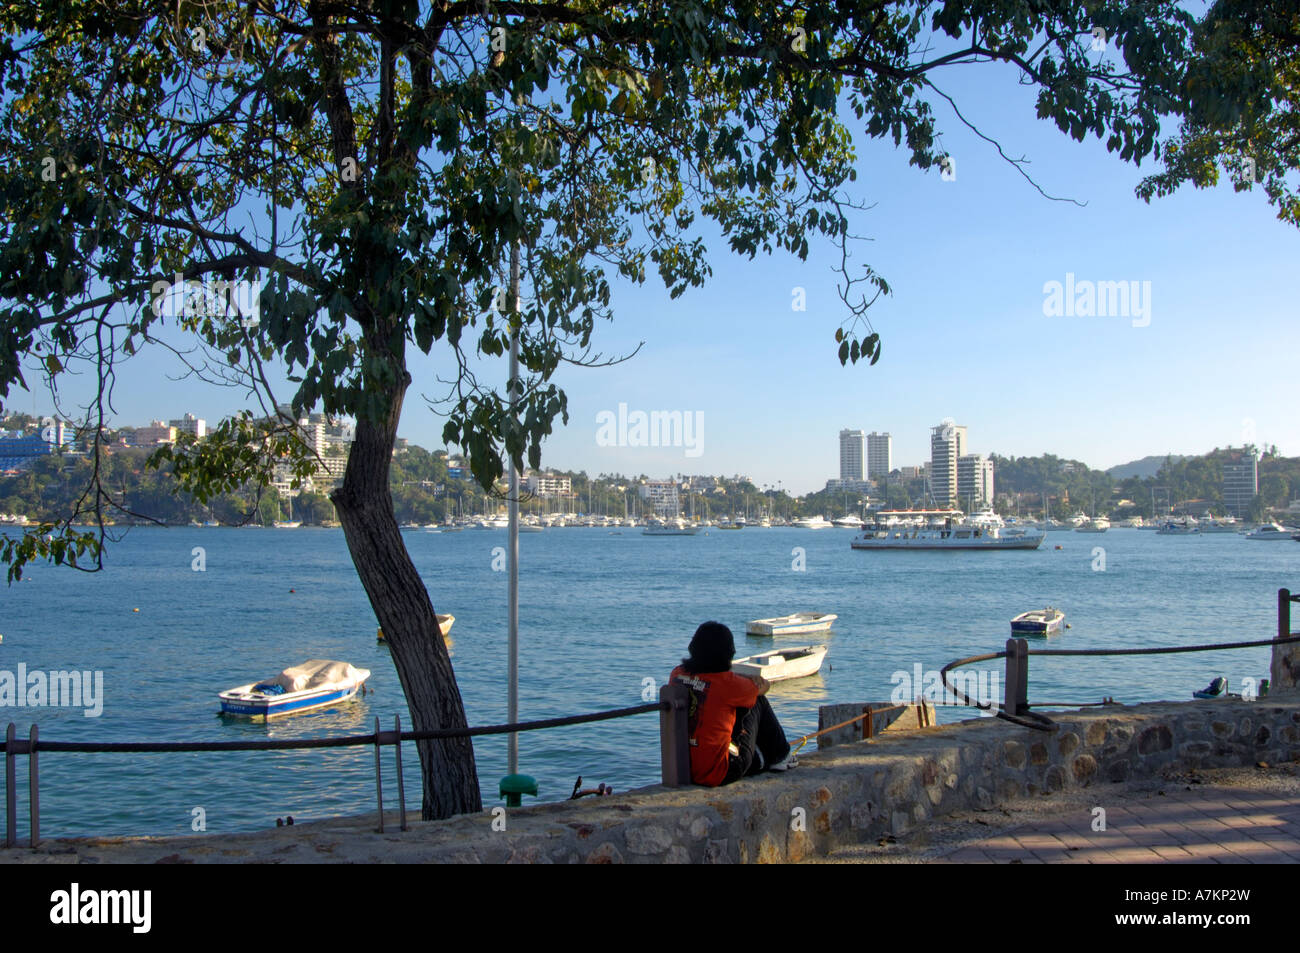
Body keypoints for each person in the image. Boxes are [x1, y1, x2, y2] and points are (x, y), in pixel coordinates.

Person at [669, 621, 797, 786]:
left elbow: (711, 683)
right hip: (722, 772)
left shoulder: (677, 674)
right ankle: (781, 755)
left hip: (686, 770)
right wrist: (753, 681)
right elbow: (765, 687)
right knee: (757, 700)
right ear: (728, 652)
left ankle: (763, 756)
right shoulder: (728, 684)